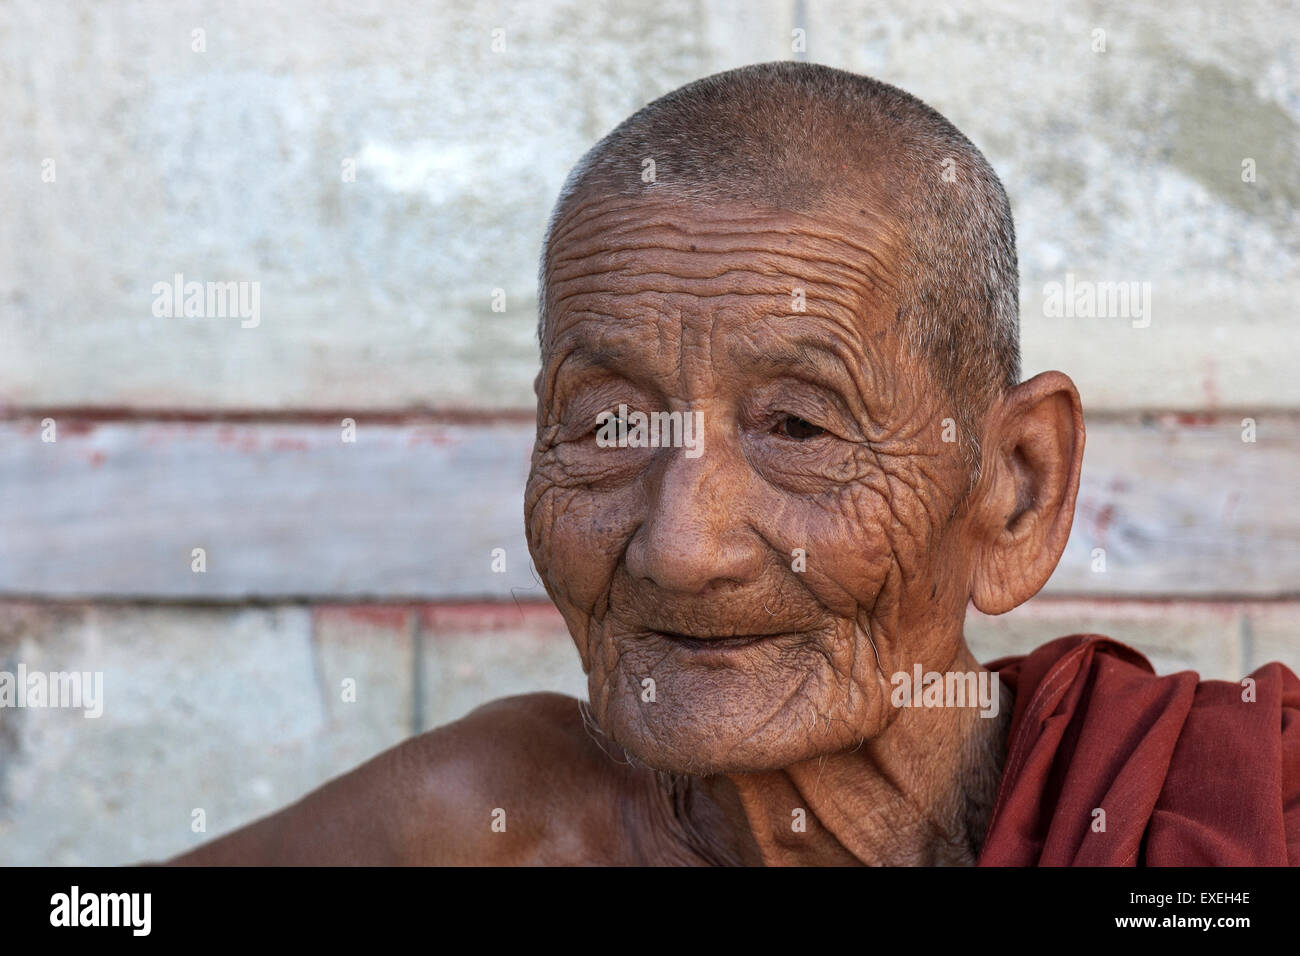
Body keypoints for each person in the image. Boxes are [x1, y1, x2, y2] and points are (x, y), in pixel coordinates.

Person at [172, 62, 1300, 866]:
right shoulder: (482, 823)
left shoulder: (1235, 806)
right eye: (608, 425)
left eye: (799, 429)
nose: (680, 545)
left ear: (1016, 488)